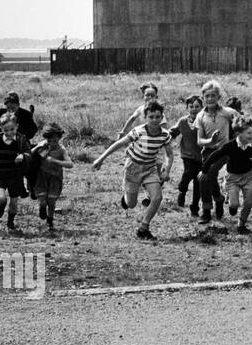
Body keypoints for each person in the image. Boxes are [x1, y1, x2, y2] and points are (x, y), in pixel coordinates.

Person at [91, 100, 175, 240]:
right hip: (133, 168)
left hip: (150, 168)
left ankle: (143, 228)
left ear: (162, 117)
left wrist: (167, 170)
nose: (155, 120)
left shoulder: (164, 135)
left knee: (157, 197)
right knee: (131, 204)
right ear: (145, 117)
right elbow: (119, 144)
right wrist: (101, 159)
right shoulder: (138, 131)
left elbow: (170, 154)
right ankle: (126, 197)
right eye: (151, 117)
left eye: (158, 117)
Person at [204, 116, 252, 233]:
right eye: (249, 133)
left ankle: (241, 225)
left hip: (249, 176)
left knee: (248, 202)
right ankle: (228, 194)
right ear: (239, 133)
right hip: (232, 177)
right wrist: (205, 168)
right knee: (234, 205)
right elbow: (216, 155)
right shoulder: (230, 146)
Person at [195, 80, 234, 226]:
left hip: (224, 151)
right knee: (207, 178)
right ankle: (217, 199)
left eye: (213, 95)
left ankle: (206, 211)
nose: (210, 98)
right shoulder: (200, 116)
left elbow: (240, 124)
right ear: (203, 98)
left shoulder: (227, 113)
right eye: (207, 96)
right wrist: (211, 140)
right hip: (208, 152)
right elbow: (199, 140)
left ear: (219, 97)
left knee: (206, 175)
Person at [28, 123, 73, 233]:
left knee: (52, 202)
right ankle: (42, 208)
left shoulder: (61, 150)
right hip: (41, 177)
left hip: (55, 178)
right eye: (49, 140)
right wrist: (38, 147)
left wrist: (55, 161)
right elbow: (29, 155)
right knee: (43, 200)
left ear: (59, 138)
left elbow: (70, 164)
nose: (52, 143)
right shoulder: (43, 147)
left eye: (55, 140)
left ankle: (50, 221)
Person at [170, 94, 203, 219]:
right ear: (187, 108)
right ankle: (182, 189)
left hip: (202, 156)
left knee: (198, 182)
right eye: (191, 106)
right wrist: (166, 136)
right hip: (187, 155)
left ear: (202, 107)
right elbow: (173, 131)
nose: (194, 109)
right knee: (188, 173)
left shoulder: (204, 121)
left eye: (197, 106)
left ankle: (195, 208)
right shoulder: (183, 121)